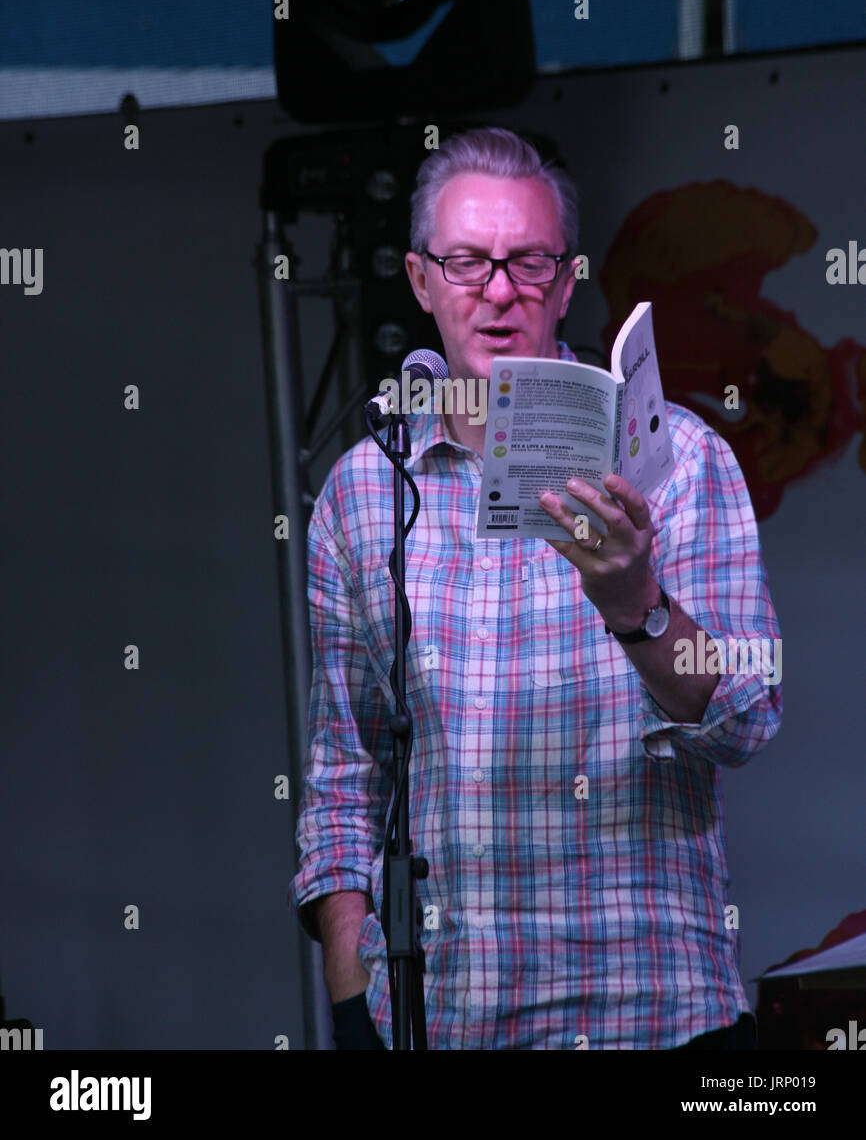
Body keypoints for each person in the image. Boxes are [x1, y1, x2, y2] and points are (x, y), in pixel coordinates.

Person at [289, 126, 783, 1050]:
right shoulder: (363, 491)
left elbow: (745, 716)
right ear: (420, 278)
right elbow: (343, 774)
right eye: (467, 262)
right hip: (454, 1026)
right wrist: (355, 997)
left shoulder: (681, 465)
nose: (500, 291)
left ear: (566, 282)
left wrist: (637, 606)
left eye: (529, 262)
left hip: (661, 1022)